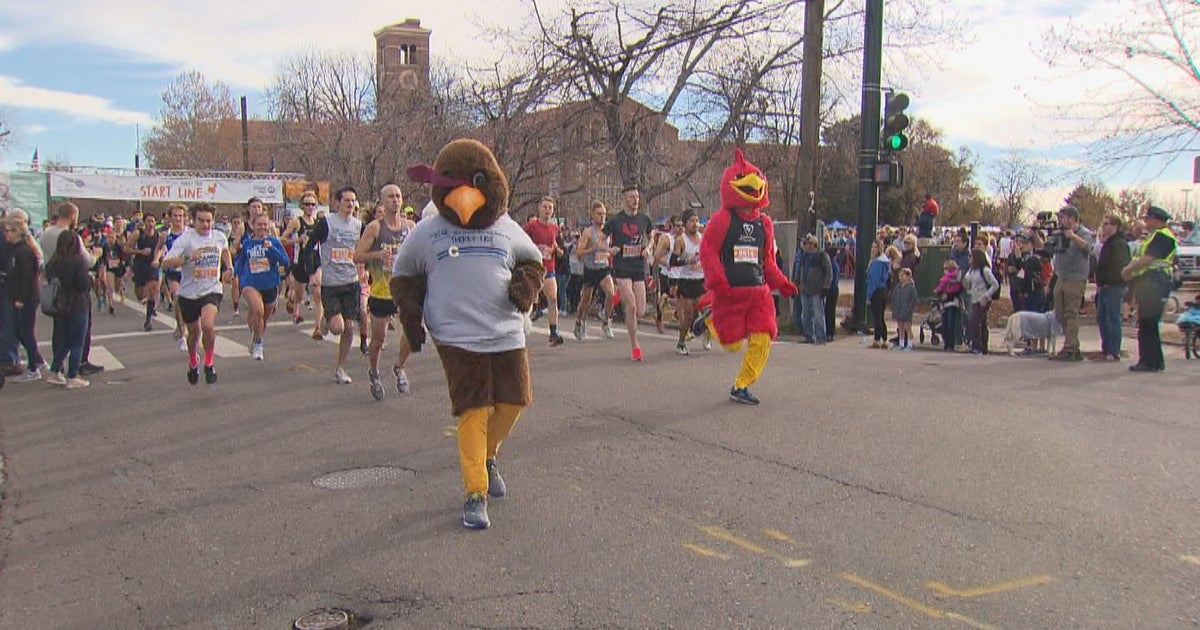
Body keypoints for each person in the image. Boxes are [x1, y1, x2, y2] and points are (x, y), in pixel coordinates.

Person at [159, 202, 234, 385]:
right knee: (194, 334)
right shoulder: (186, 239)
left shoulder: (219, 236)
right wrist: (187, 259)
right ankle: (193, 361)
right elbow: (165, 263)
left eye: (209, 221)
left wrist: (229, 267)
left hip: (211, 290)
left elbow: (225, 251)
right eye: (201, 221)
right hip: (188, 294)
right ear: (193, 220)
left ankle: (209, 363)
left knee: (208, 326)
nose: (206, 225)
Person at [355, 184, 416, 400]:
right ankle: (374, 372)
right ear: (383, 202)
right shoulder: (375, 228)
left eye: (398, 196)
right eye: (390, 196)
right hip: (381, 290)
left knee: (412, 331)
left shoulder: (410, 226)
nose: (395, 200)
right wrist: (377, 256)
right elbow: (357, 256)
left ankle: (399, 367)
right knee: (378, 340)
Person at [303, 186, 363, 384]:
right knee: (337, 327)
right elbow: (309, 246)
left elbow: (365, 249)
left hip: (351, 281)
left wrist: (366, 268)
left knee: (348, 327)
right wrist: (313, 271)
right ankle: (327, 322)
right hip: (331, 283)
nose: (350, 204)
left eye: (353, 201)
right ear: (337, 203)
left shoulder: (358, 225)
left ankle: (341, 367)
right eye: (346, 200)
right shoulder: (326, 223)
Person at [39, 202, 103, 376]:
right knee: (79, 334)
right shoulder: (71, 237)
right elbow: (86, 261)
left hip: (55, 287)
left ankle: (57, 366)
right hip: (76, 292)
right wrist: (95, 255)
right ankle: (78, 365)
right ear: (73, 215)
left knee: (60, 331)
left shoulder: (46, 234)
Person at [1121, 205, 1178, 373]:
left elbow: (1147, 259)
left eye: (1148, 219)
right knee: (1149, 322)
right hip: (1152, 281)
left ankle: (1148, 361)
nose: (1146, 222)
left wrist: (1128, 270)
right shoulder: (1157, 236)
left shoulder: (1162, 236)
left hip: (1155, 281)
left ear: (1156, 220)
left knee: (1146, 321)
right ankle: (1155, 361)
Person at [605, 185, 654, 361]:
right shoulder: (615, 221)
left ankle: (618, 296)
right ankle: (635, 347)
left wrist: (648, 247)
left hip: (638, 266)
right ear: (625, 198)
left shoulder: (644, 219)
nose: (635, 200)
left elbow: (652, 235)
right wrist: (609, 249)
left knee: (640, 311)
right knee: (631, 306)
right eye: (632, 197)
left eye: (637, 197)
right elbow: (601, 240)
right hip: (622, 267)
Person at [235, 212, 290, 361]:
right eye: (259, 224)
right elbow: (240, 262)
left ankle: (256, 336)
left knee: (263, 319)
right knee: (258, 311)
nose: (263, 227)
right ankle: (259, 344)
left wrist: (271, 248)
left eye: (265, 224)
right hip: (250, 283)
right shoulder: (248, 243)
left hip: (270, 285)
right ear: (253, 226)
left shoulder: (274, 242)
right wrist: (233, 274)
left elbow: (285, 261)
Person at [43, 230, 92, 388]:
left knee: (64, 341)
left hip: (59, 305)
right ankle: (72, 375)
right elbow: (82, 285)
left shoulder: (53, 262)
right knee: (77, 342)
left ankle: (55, 371)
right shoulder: (79, 262)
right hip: (78, 305)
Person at [1046, 205, 1095, 361]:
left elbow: (1088, 249)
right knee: (1060, 313)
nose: (1060, 221)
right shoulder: (1060, 234)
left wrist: (1072, 236)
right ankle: (1069, 344)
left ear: (1073, 219)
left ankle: (1071, 348)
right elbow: (1047, 249)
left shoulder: (1084, 233)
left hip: (1076, 278)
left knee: (1071, 313)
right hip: (1061, 276)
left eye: (1063, 218)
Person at [4, 216, 45, 382]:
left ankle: (34, 368)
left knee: (25, 332)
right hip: (18, 296)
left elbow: (28, 277)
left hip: (27, 298)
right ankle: (37, 361)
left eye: (7, 231)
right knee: (19, 332)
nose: (5, 234)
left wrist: (21, 298)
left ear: (16, 232)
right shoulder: (16, 250)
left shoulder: (24, 252)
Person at [524, 196, 565, 346]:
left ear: (553, 211)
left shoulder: (555, 228)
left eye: (550, 208)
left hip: (550, 268)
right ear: (539, 209)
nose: (547, 210)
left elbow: (555, 244)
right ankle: (522, 326)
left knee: (553, 299)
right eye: (545, 207)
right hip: (534, 268)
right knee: (529, 300)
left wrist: (558, 251)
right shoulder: (531, 226)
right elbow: (521, 241)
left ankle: (553, 333)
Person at [281, 192, 324, 334]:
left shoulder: (319, 223)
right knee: (299, 296)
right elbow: (283, 239)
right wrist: (298, 241)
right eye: (307, 204)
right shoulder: (297, 222)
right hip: (301, 261)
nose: (310, 207)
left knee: (317, 291)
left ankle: (317, 328)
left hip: (316, 260)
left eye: (313, 204)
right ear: (302, 206)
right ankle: (293, 302)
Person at [573, 201, 616, 341]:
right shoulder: (588, 233)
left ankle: (605, 320)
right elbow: (578, 253)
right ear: (593, 214)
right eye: (599, 214)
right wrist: (593, 248)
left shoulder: (608, 231)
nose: (602, 217)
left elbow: (610, 248)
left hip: (603, 268)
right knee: (586, 301)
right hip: (590, 269)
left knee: (611, 293)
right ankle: (579, 321)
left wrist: (610, 253)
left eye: (604, 214)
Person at [1093, 214, 1131, 362]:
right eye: (1103, 224)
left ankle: (1113, 351)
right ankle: (1106, 349)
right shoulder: (1108, 243)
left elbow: (1120, 267)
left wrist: (1108, 281)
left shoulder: (1119, 244)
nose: (1104, 227)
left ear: (1116, 226)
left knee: (1112, 319)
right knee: (1102, 318)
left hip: (1114, 287)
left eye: (1107, 224)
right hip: (1104, 287)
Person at [670, 209, 704, 354]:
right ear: (685, 224)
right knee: (689, 314)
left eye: (697, 221)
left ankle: (706, 335)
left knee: (708, 311)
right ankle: (681, 342)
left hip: (701, 280)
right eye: (691, 221)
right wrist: (687, 261)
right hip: (686, 281)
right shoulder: (681, 240)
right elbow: (673, 261)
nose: (695, 224)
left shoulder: (703, 238)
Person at [125, 213, 162, 332]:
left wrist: (158, 257)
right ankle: (144, 300)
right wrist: (140, 251)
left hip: (152, 266)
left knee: (153, 289)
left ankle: (148, 321)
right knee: (139, 293)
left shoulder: (158, 235)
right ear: (144, 222)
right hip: (140, 266)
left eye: (153, 221)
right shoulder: (138, 234)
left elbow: (162, 248)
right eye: (148, 221)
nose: (151, 224)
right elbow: (126, 248)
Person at [962, 248, 1000, 355]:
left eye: (971, 256)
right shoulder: (971, 270)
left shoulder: (985, 270)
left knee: (975, 321)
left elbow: (995, 284)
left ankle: (977, 345)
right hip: (974, 298)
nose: (969, 258)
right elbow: (969, 285)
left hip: (983, 299)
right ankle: (982, 346)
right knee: (981, 323)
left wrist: (986, 295)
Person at [795, 235, 831, 344]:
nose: (805, 246)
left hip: (817, 290)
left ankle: (820, 337)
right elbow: (798, 269)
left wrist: (825, 287)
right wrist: (797, 282)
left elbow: (829, 273)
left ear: (813, 245)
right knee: (805, 315)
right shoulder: (804, 256)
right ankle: (808, 336)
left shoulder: (822, 256)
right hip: (805, 289)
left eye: (807, 243)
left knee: (818, 315)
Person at [866, 244, 899, 349]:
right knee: (881, 316)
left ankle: (877, 340)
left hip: (876, 291)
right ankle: (884, 340)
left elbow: (873, 281)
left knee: (877, 317)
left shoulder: (877, 264)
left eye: (875, 247)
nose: (872, 249)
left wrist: (869, 295)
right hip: (883, 290)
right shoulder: (886, 263)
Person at [891, 267, 917, 351]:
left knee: (907, 328)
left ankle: (909, 344)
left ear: (908, 276)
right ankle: (901, 343)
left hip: (906, 311)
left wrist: (909, 308)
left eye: (903, 275)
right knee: (900, 328)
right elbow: (894, 298)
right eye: (900, 276)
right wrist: (894, 309)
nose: (901, 277)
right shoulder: (897, 287)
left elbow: (914, 299)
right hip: (898, 310)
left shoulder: (911, 288)